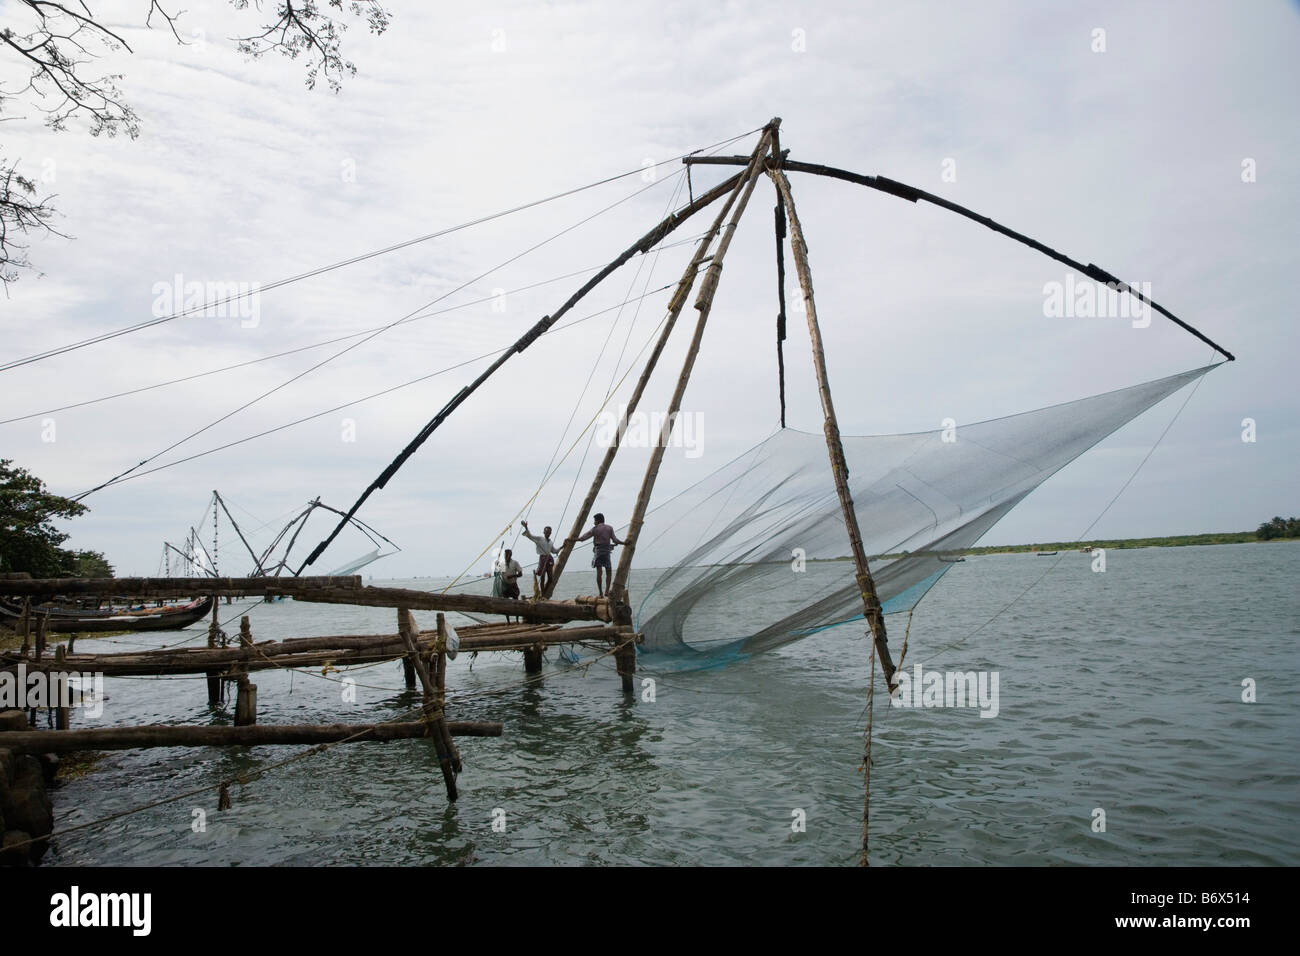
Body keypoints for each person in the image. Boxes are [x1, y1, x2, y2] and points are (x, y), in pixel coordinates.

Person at [567, 512, 629, 598]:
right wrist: (624, 543)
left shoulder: (595, 529)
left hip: (599, 551)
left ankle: (600, 592)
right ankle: (607, 590)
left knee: (599, 572)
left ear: (598, 520)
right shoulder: (609, 528)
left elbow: (583, 538)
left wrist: (572, 539)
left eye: (594, 521)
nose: (594, 522)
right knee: (609, 571)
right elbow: (615, 540)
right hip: (606, 551)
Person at [521, 520, 560, 595]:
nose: (548, 533)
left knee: (550, 579)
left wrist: (561, 547)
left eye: (549, 532)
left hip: (549, 558)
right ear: (544, 532)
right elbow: (530, 536)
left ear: (550, 533)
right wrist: (526, 527)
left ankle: (544, 592)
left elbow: (554, 551)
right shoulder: (540, 539)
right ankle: (543, 594)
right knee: (542, 578)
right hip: (542, 558)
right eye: (546, 532)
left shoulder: (551, 542)